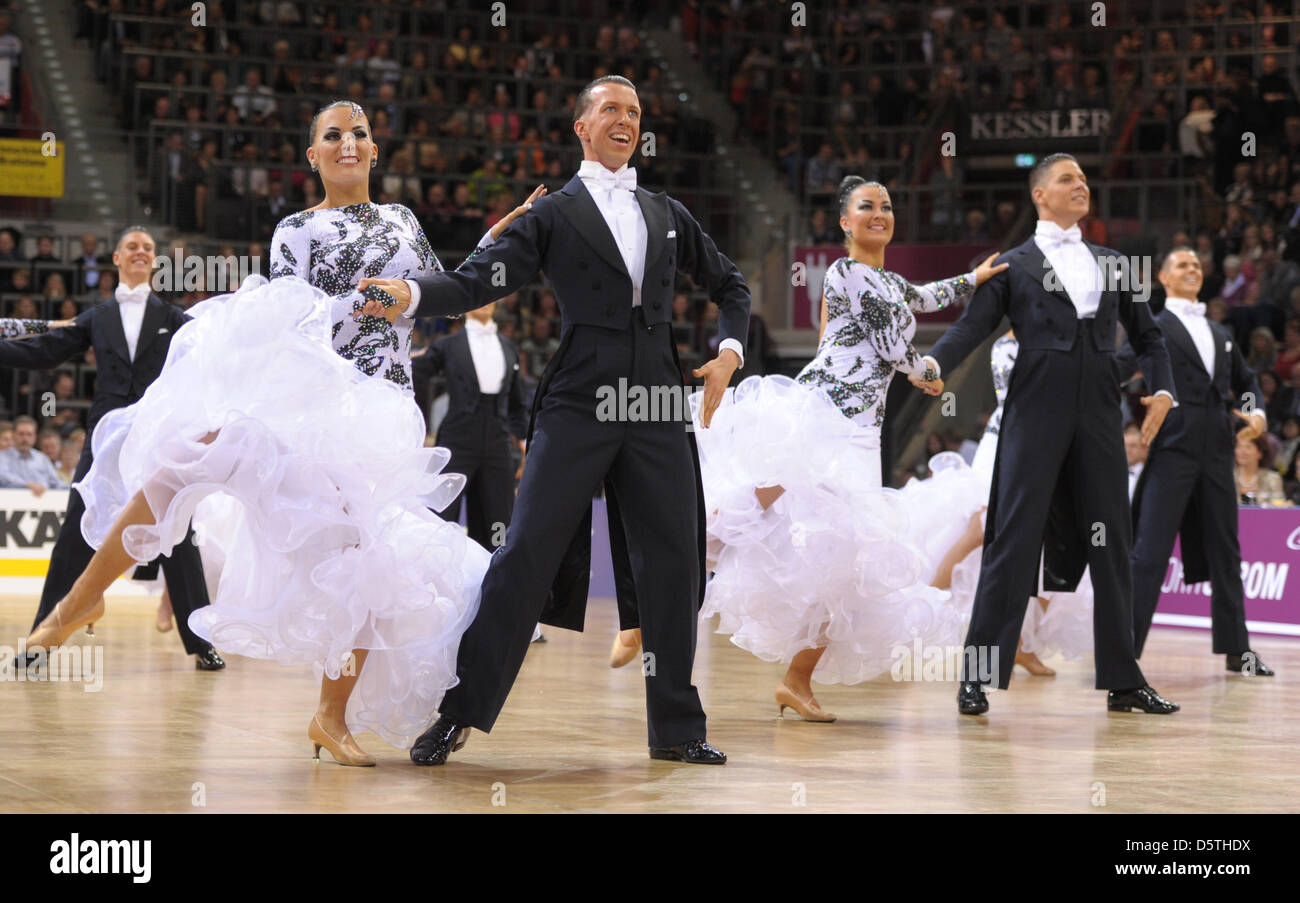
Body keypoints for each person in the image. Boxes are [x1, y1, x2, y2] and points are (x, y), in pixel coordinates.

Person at [23, 101, 535, 765]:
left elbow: (444, 289)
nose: (346, 143)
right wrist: (370, 301)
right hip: (314, 400)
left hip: (385, 413)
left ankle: (330, 715)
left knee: (367, 551)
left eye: (358, 134)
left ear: (375, 151)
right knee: (185, 460)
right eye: (332, 135)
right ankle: (77, 601)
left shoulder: (405, 221)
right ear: (312, 155)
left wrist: (499, 236)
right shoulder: (297, 229)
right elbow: (299, 321)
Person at [360, 76, 750, 766]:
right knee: (526, 553)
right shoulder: (553, 215)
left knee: (674, 564)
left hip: (658, 398)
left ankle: (678, 728)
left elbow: (730, 285)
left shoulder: (666, 211)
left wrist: (727, 352)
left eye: (633, 111)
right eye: (611, 109)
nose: (625, 119)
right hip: (578, 395)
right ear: (582, 126)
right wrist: (413, 292)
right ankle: (460, 712)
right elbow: (480, 280)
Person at [668, 176, 1000, 720]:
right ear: (845, 222)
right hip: (821, 419)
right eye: (867, 206)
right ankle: (660, 588)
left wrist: (973, 278)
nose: (880, 213)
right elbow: (895, 346)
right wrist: (929, 374)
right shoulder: (848, 272)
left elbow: (923, 296)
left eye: (887, 206)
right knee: (751, 513)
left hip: (861, 435)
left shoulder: (889, 280)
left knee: (848, 563)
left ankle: (797, 680)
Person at [919, 153, 1181, 715]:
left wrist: (1162, 390)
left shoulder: (1116, 262)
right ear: (1040, 194)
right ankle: (978, 674)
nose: (1081, 185)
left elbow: (1150, 337)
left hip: (1100, 411)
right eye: (1068, 179)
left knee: (1112, 540)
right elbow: (971, 327)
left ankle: (1123, 677)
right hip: (1035, 405)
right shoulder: (1011, 264)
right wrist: (934, 366)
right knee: (1011, 538)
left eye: (1085, 179)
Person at [0, 233, 223, 670]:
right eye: (132, 246)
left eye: (147, 247)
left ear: (155, 262)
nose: (140, 251)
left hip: (158, 437)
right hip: (104, 439)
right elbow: (45, 351)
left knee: (179, 534)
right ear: (117, 259)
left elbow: (210, 357)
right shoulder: (98, 317)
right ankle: (42, 637)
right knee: (74, 533)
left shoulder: (175, 319)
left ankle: (200, 643)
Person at [1118, 248, 1275, 677]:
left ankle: (1237, 650)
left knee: (1227, 550)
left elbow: (1246, 384)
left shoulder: (1219, 330)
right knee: (1149, 552)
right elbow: (1118, 368)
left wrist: (1255, 413)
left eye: (1195, 265)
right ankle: (1124, 653)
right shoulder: (1152, 325)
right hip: (1172, 449)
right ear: (1164, 278)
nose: (1192, 269)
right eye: (1182, 265)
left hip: (1218, 451)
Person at [902, 332, 1095, 679]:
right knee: (978, 533)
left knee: (1052, 548)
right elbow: (1022, 396)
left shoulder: (1070, 333)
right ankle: (915, 619)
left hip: (1056, 446)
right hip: (1006, 443)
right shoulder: (1008, 344)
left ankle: (1022, 644)